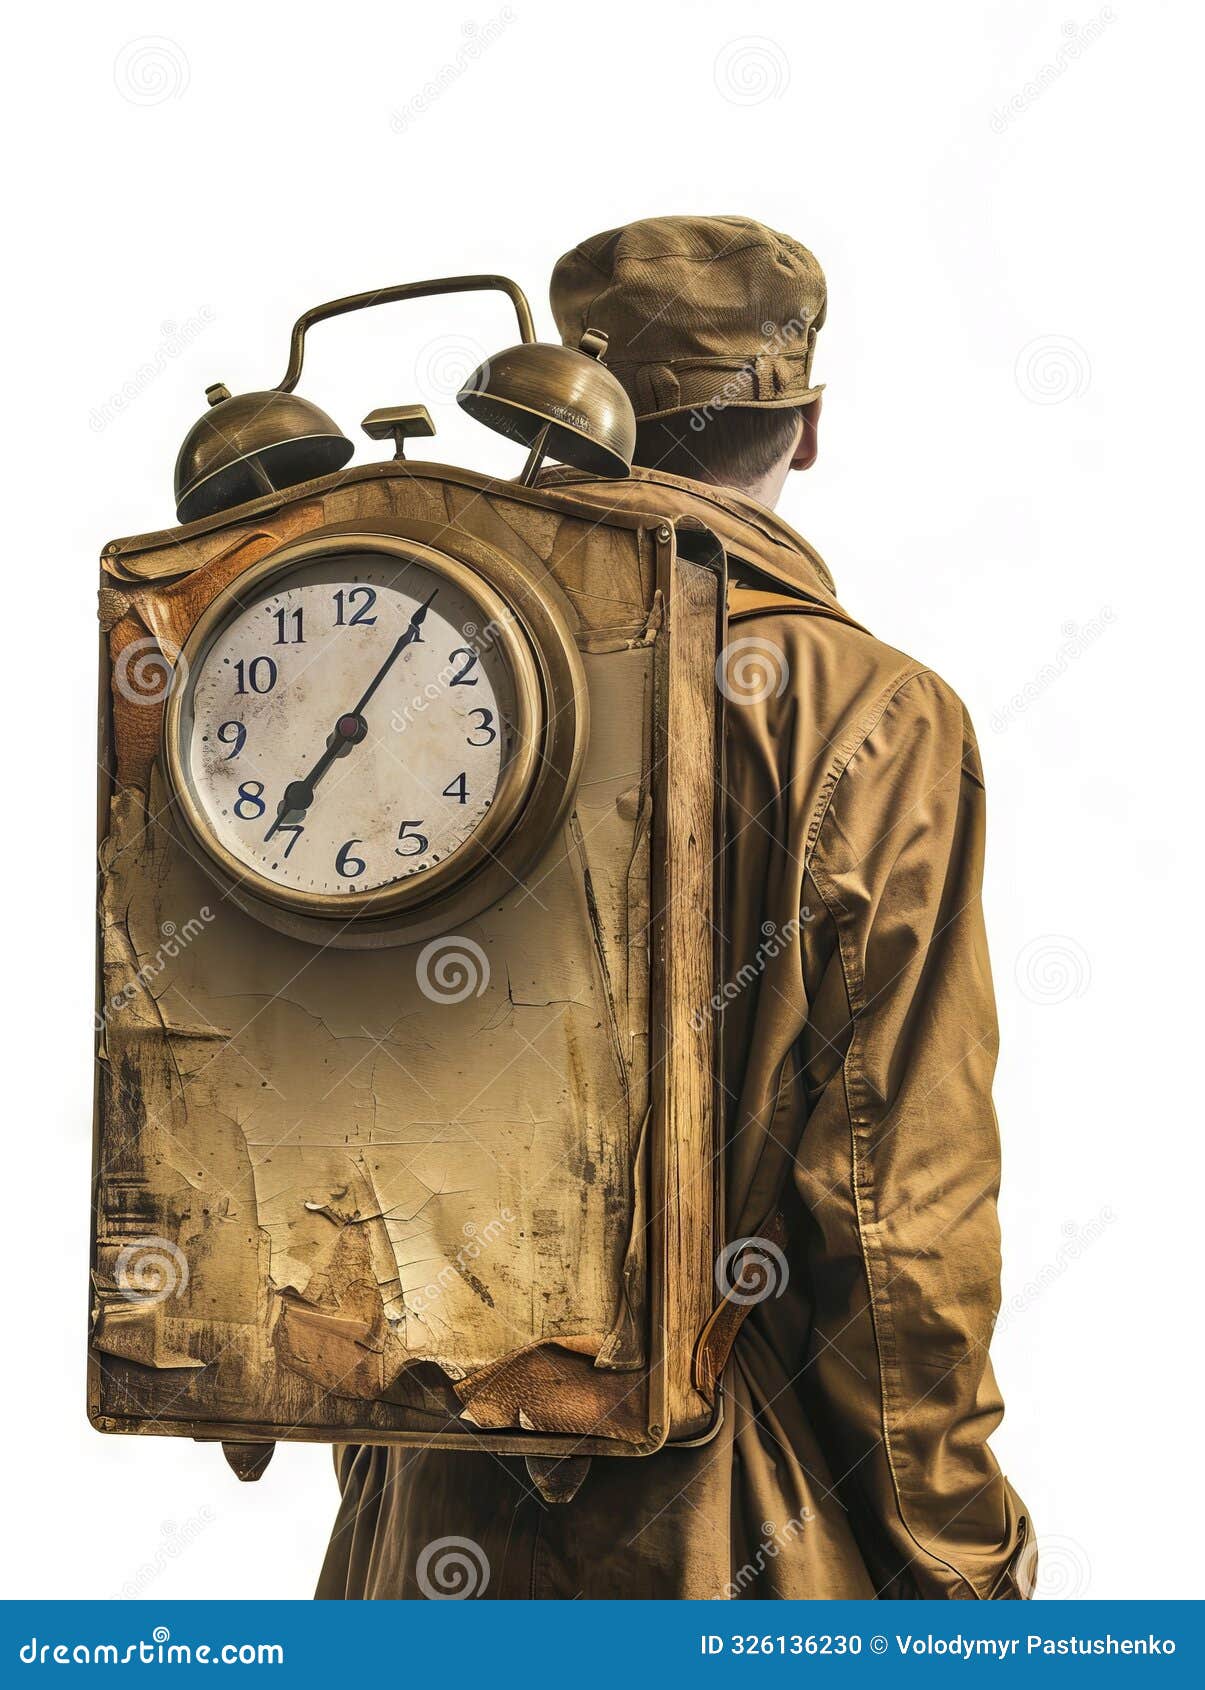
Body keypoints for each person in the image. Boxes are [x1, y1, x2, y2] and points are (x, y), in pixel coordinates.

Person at [318, 215, 1032, 1600]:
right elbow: (896, 1212)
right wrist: (962, 1564)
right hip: (722, 1543)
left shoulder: (393, 681)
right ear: (805, 424)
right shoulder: (864, 716)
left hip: (416, 1529)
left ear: (566, 420)